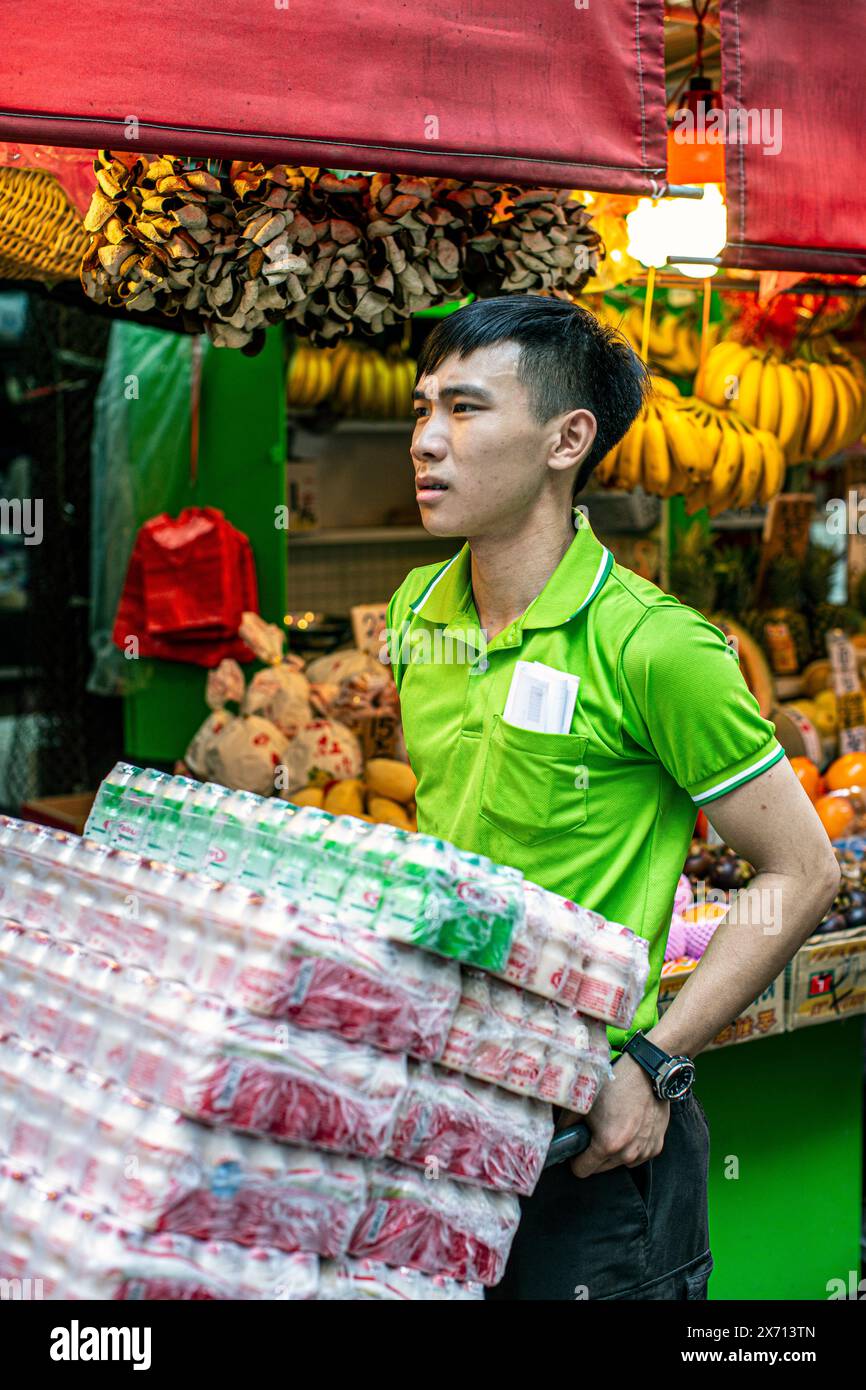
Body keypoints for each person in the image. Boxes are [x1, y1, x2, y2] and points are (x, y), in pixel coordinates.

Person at [383, 294, 840, 1301]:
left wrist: (655, 1061)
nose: (425, 440)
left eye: (463, 410)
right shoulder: (416, 611)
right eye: (421, 410)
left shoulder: (655, 645)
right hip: (440, 1119)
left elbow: (800, 869)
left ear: (565, 438)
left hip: (587, 1136)